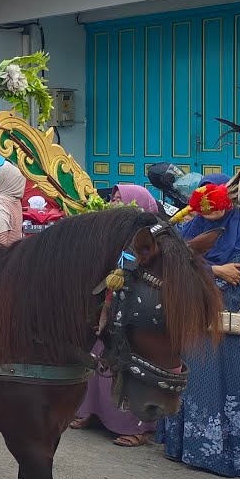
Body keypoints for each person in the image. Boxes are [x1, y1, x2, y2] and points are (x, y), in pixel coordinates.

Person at [156, 173, 240, 477]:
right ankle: (181, 446)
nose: (210, 211)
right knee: (191, 376)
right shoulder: (188, 229)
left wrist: (203, 270)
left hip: (223, 317)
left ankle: (219, 454)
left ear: (230, 202)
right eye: (205, 205)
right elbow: (172, 263)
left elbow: (235, 278)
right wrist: (215, 269)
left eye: (216, 205)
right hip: (191, 313)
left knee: (222, 379)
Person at [71, 183, 161, 446]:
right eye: (113, 198)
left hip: (137, 306)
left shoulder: (154, 237)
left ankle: (137, 426)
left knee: (130, 361)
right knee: (99, 353)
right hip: (109, 302)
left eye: (121, 198)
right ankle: (93, 411)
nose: (114, 202)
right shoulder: (112, 231)